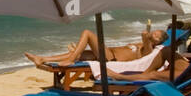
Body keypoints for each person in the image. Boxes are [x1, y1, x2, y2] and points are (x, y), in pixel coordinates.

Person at [24, 26, 166, 72]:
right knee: (76, 52)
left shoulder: (150, 50)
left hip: (112, 59)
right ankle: (42, 59)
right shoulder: (142, 43)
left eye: (158, 36)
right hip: (108, 52)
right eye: (155, 32)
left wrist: (146, 39)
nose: (155, 34)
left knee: (87, 33)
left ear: (159, 42)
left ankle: (71, 60)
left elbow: (145, 52)